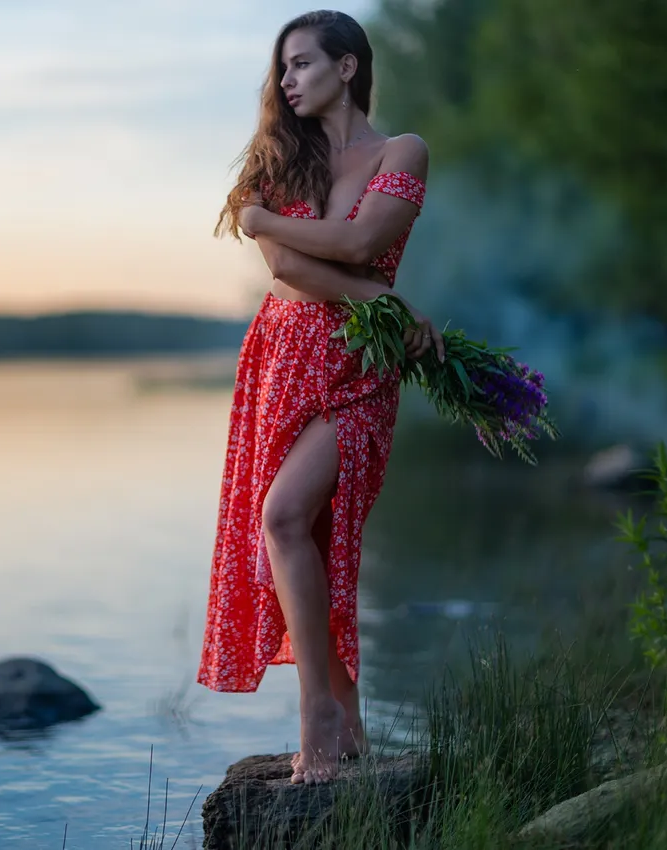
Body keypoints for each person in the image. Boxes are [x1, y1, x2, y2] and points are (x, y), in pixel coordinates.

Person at [196, 9, 444, 785]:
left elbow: (361, 243)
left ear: (347, 66)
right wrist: (389, 302)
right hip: (282, 359)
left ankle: (319, 718)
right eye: (282, 69)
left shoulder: (401, 151)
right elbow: (288, 274)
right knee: (310, 535)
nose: (287, 80)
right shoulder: (277, 161)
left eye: (302, 63)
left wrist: (268, 221)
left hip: (362, 367)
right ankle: (352, 724)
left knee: (282, 514)